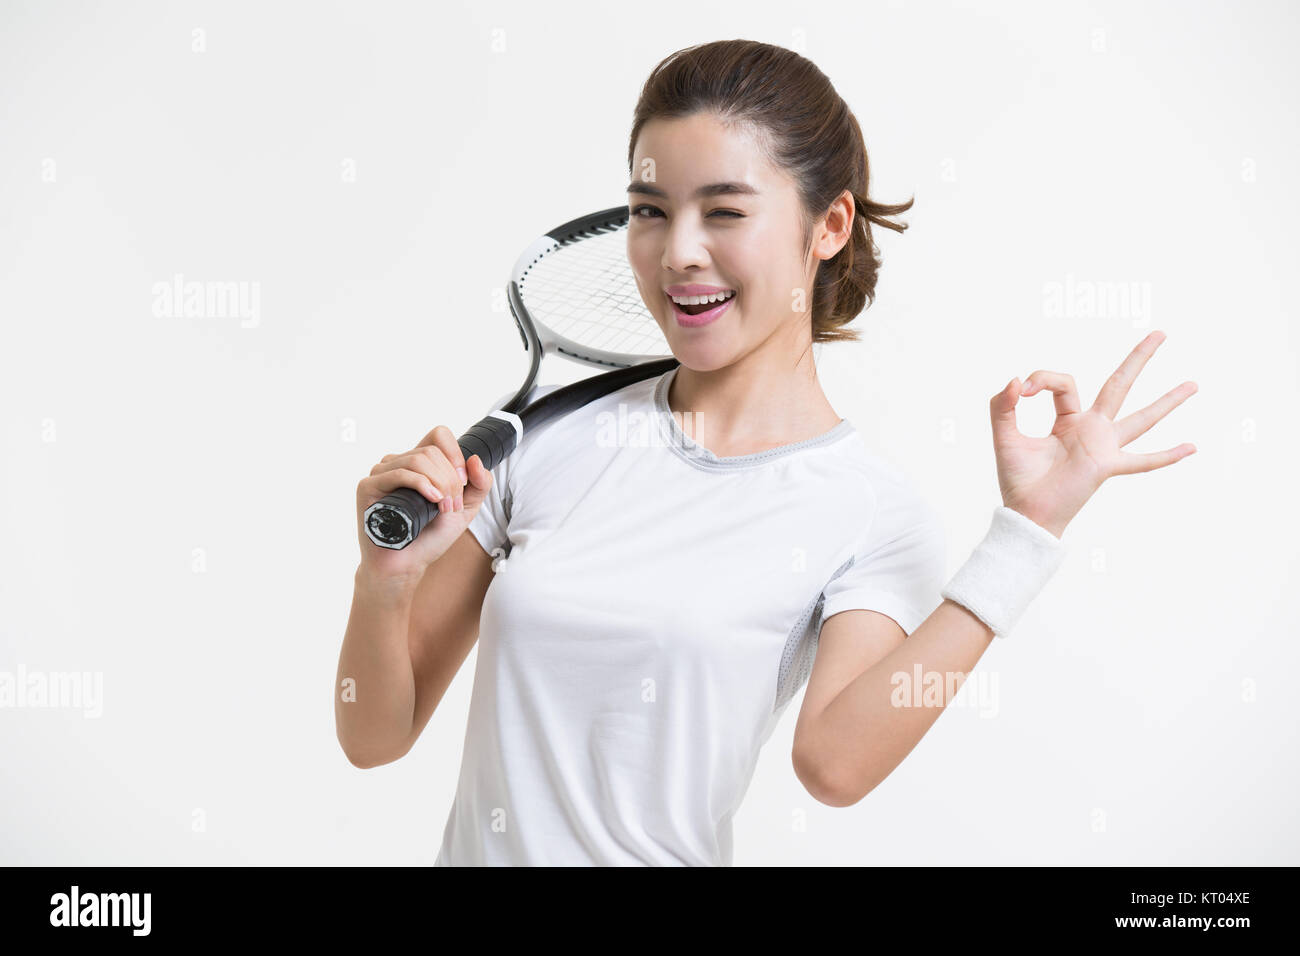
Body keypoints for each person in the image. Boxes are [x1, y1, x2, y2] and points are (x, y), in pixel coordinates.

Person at [334, 39, 1198, 866]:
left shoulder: (870, 512)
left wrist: (1026, 534)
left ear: (828, 227)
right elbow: (373, 735)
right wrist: (386, 583)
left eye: (725, 211)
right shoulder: (547, 443)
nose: (677, 253)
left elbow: (837, 766)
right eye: (649, 212)